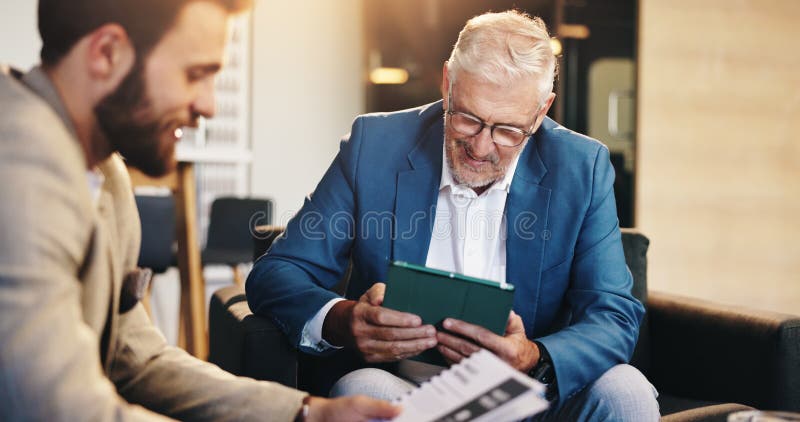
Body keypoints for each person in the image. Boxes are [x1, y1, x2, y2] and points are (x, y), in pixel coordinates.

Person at [246, 9, 660, 421]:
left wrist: (534, 355)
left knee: (626, 390)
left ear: (542, 110)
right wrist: (343, 319)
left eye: (508, 131)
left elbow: (613, 313)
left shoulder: (582, 167)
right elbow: (276, 274)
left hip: (533, 392)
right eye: (467, 119)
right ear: (447, 84)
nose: (481, 147)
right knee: (364, 389)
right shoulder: (374, 146)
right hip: (409, 392)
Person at [0, 0, 401, 421]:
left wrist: (305, 413)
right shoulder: (22, 169)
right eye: (195, 75)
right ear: (106, 54)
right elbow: (59, 410)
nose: (209, 105)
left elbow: (136, 358)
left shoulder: (107, 173)